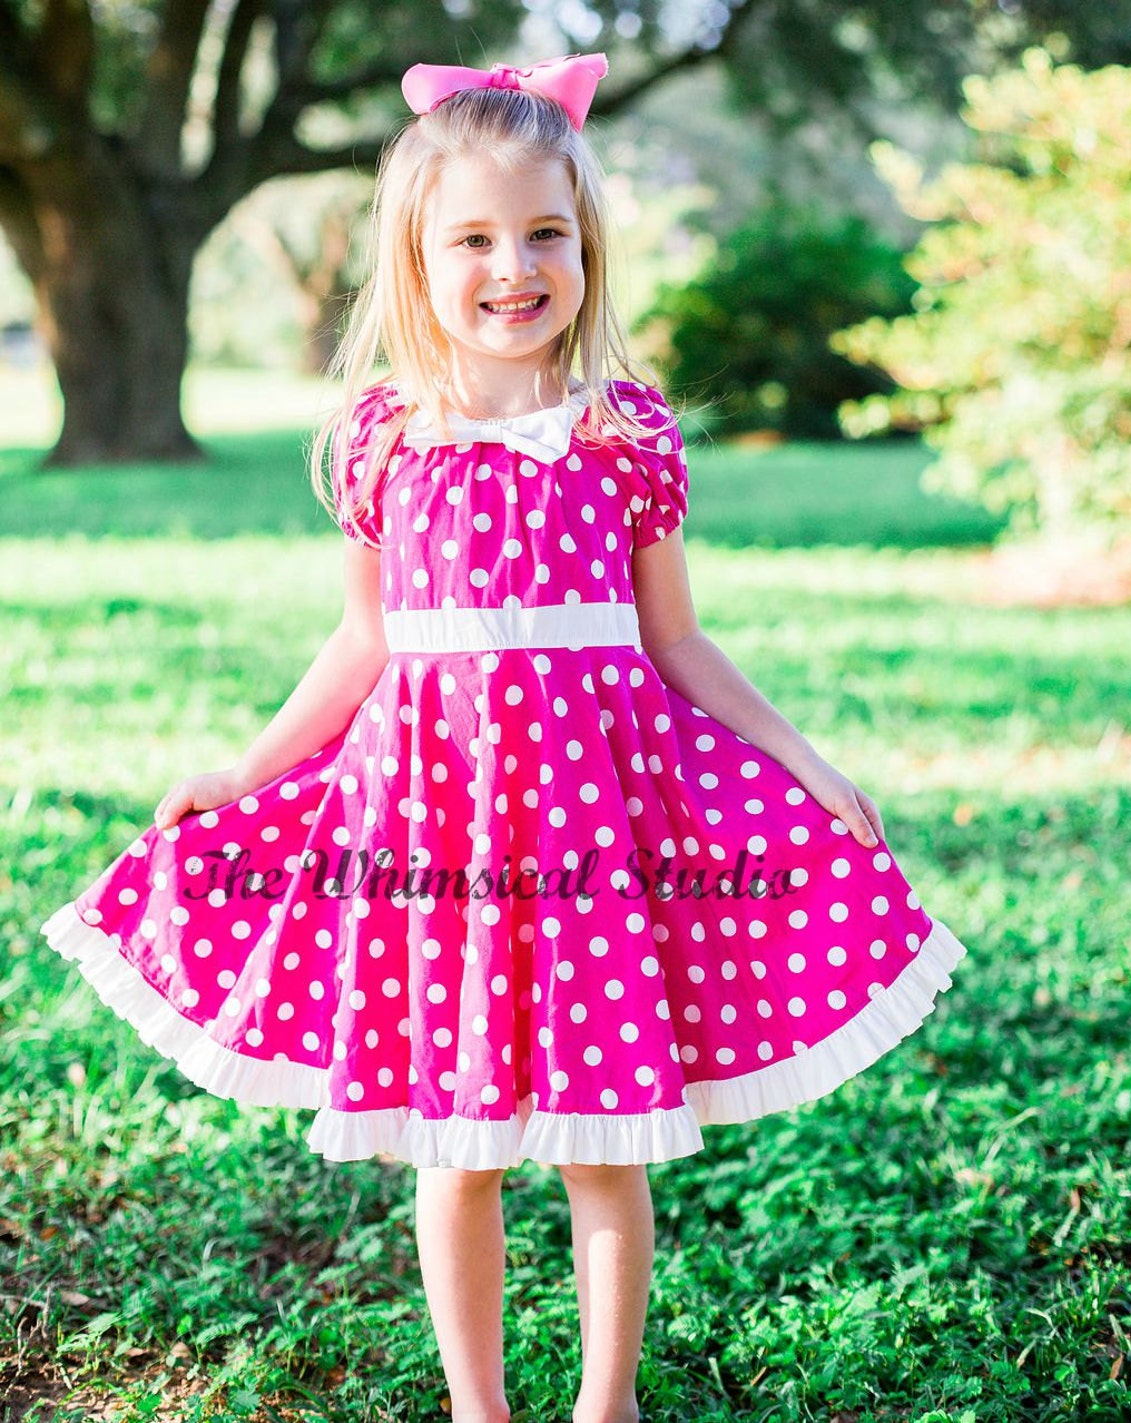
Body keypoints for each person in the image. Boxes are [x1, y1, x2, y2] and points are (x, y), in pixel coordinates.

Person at [41, 52, 967, 1423]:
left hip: (601, 836)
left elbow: (679, 644)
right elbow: (364, 642)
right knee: (454, 1149)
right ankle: (478, 1407)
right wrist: (249, 768)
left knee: (608, 1145)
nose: (512, 266)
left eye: (545, 233)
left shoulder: (629, 435)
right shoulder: (382, 442)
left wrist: (808, 764)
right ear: (418, 259)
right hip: (434, 831)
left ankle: (608, 1403)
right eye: (472, 238)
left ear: (587, 246)